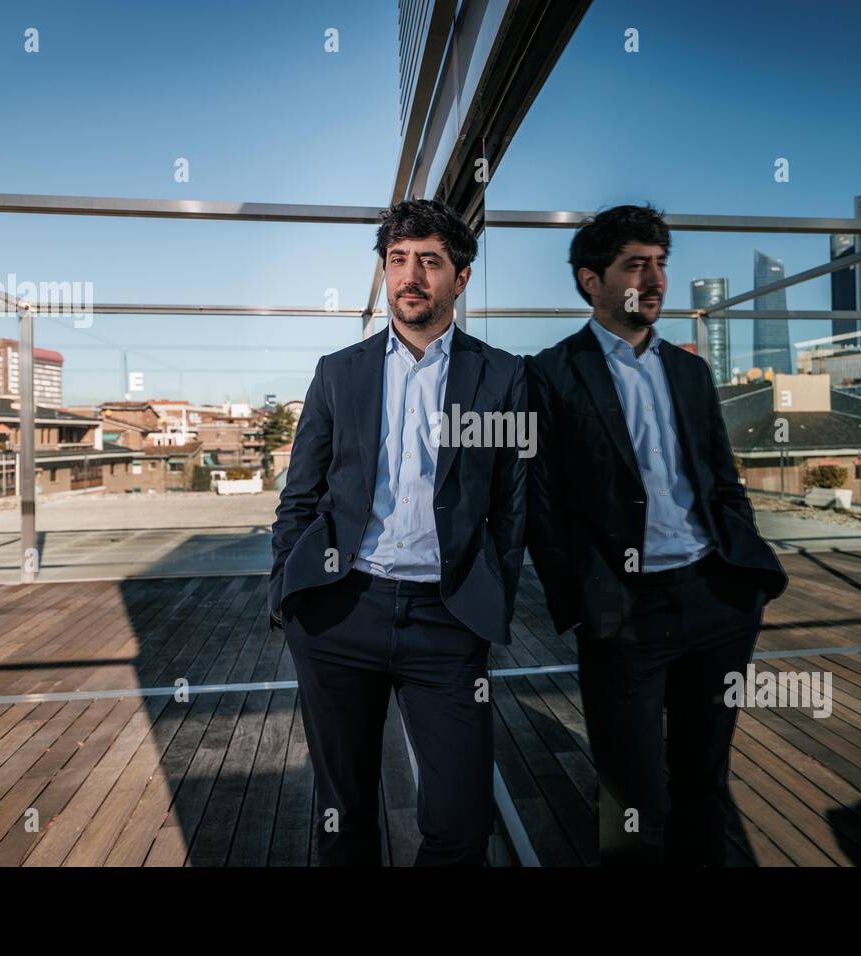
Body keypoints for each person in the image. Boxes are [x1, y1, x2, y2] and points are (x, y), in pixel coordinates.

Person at [525, 204, 789, 866]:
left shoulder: (691, 372)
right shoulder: (551, 375)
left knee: (704, 782)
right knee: (632, 795)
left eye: (662, 262)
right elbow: (542, 507)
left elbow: (723, 481)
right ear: (592, 280)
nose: (657, 277)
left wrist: (742, 579)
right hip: (622, 613)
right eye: (636, 263)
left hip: (715, 599)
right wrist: (584, 603)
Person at [268, 198, 526, 866]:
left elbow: (513, 504)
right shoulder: (339, 372)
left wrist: (486, 600)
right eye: (397, 260)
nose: (411, 276)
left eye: (429, 262)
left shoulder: (501, 376)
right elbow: (299, 496)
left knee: (460, 824)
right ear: (386, 271)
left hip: (447, 621)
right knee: (341, 815)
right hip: (338, 612)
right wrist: (285, 595)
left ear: (459, 279)